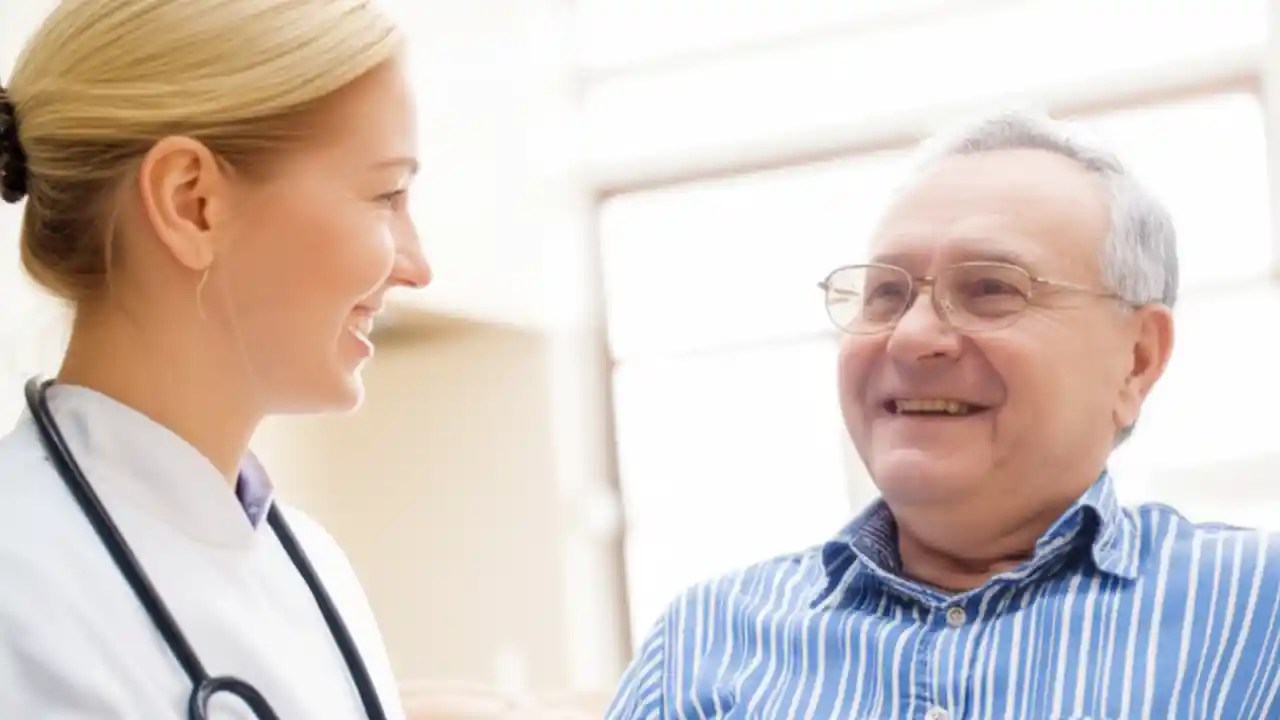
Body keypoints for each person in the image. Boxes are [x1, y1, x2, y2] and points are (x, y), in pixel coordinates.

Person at [606, 111, 1280, 719]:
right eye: (885, 293)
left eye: (991, 289)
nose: (909, 336)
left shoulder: (1255, 615)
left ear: (1135, 358)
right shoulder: (704, 645)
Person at [0, 0, 430, 717]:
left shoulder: (315, 571)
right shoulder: (18, 584)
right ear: (192, 203)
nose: (418, 266)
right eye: (386, 194)